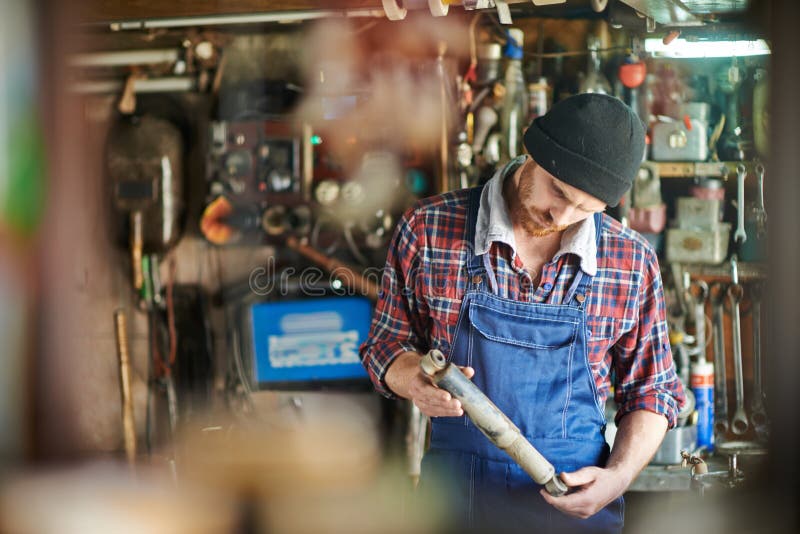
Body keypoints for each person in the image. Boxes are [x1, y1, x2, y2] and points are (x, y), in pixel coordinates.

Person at [360, 93, 685, 533]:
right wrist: (412, 380)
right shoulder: (428, 228)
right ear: (532, 150)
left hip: (572, 510)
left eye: (586, 208)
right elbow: (385, 347)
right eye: (559, 191)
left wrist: (618, 478)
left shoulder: (631, 261)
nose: (562, 215)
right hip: (455, 506)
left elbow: (652, 391)